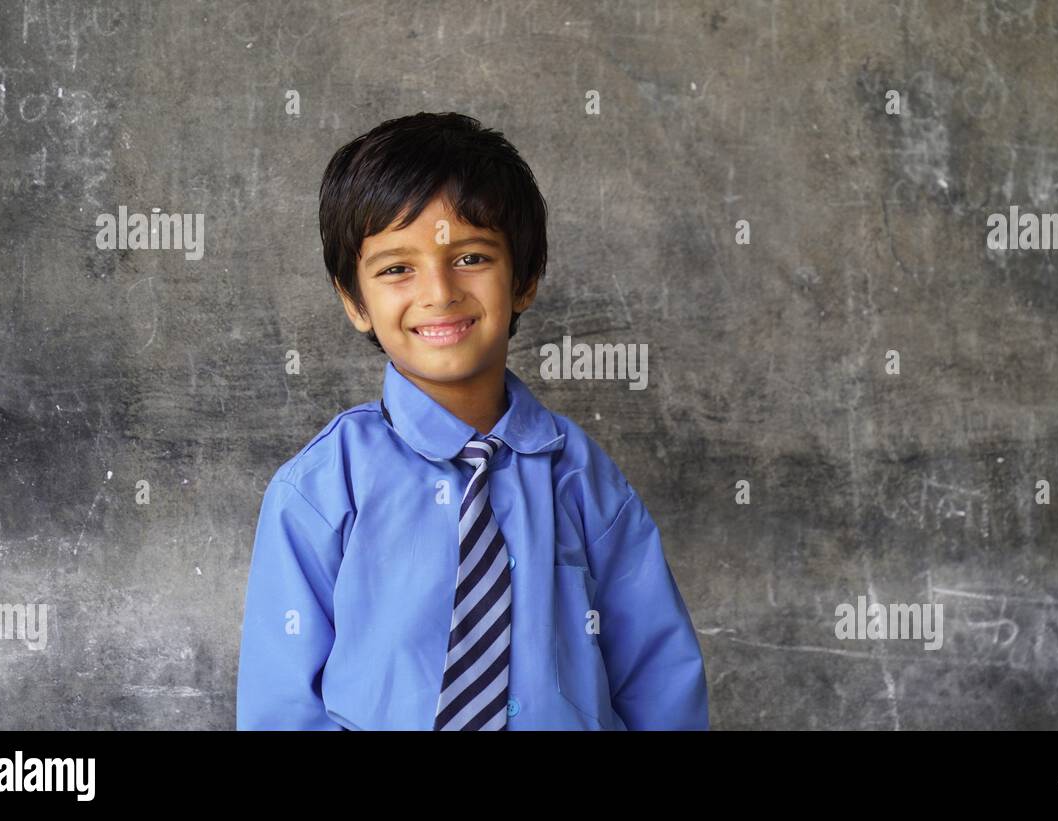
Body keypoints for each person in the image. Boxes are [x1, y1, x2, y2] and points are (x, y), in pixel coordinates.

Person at [236, 112, 707, 730]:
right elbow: (281, 708)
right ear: (355, 301)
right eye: (396, 268)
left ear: (525, 279)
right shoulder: (321, 487)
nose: (439, 291)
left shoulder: (582, 476)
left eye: (471, 257)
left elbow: (658, 677)